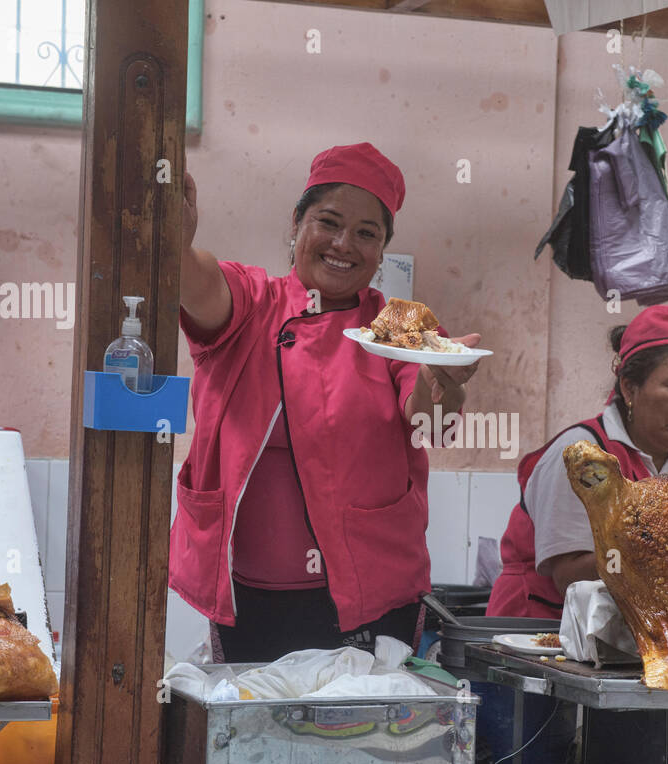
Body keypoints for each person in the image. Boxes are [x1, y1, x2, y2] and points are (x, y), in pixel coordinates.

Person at [171, 143, 483, 662]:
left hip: (369, 600)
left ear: (383, 250)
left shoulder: (402, 326)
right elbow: (199, 285)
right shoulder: (253, 303)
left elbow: (426, 420)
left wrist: (446, 383)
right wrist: (175, 251)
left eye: (367, 233)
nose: (345, 244)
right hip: (252, 600)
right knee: (257, 739)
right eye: (329, 222)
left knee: (366, 740)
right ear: (296, 223)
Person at [487, 306, 668, 618]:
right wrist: (661, 546)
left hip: (640, 637)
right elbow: (569, 578)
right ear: (629, 387)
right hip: (538, 633)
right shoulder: (579, 455)